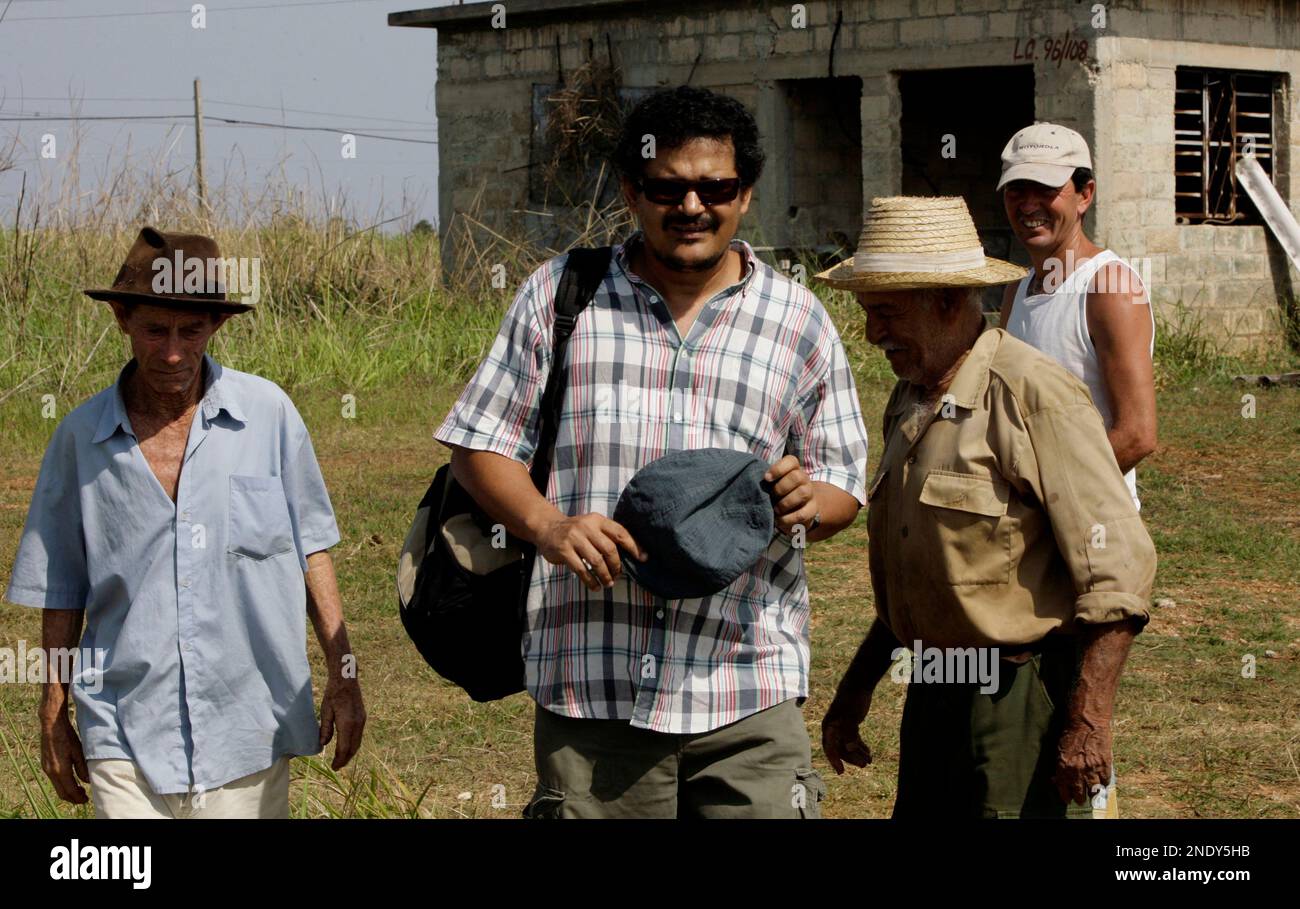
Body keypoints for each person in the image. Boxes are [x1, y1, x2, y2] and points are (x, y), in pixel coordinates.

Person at [436, 85, 869, 818]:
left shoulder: (799, 320)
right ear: (633, 192)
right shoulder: (562, 296)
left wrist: (809, 504)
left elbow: (843, 485)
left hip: (746, 691)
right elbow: (478, 446)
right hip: (594, 692)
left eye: (715, 187)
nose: (692, 206)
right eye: (667, 187)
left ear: (746, 193)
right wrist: (548, 525)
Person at [5, 227, 365, 818]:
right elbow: (61, 586)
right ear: (122, 319)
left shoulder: (268, 416)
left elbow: (311, 551)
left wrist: (343, 675)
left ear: (216, 326)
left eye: (190, 330)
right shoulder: (78, 439)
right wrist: (52, 708)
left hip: (248, 724)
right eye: (154, 329)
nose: (172, 352)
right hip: (122, 725)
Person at [815, 196, 1157, 818]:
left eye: (886, 313)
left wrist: (1088, 721)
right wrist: (857, 687)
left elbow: (1119, 574)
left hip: (1017, 695)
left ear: (948, 302)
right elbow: (921, 571)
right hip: (935, 688)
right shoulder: (911, 397)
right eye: (868, 315)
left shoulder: (1033, 394)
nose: (872, 335)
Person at [997, 122, 1157, 508]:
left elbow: (1137, 434)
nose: (1029, 204)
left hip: (1090, 520)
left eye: (1047, 189)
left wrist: (1045, 497)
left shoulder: (1108, 287)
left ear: (1085, 195)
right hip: (1028, 526)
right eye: (1018, 189)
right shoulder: (1016, 290)